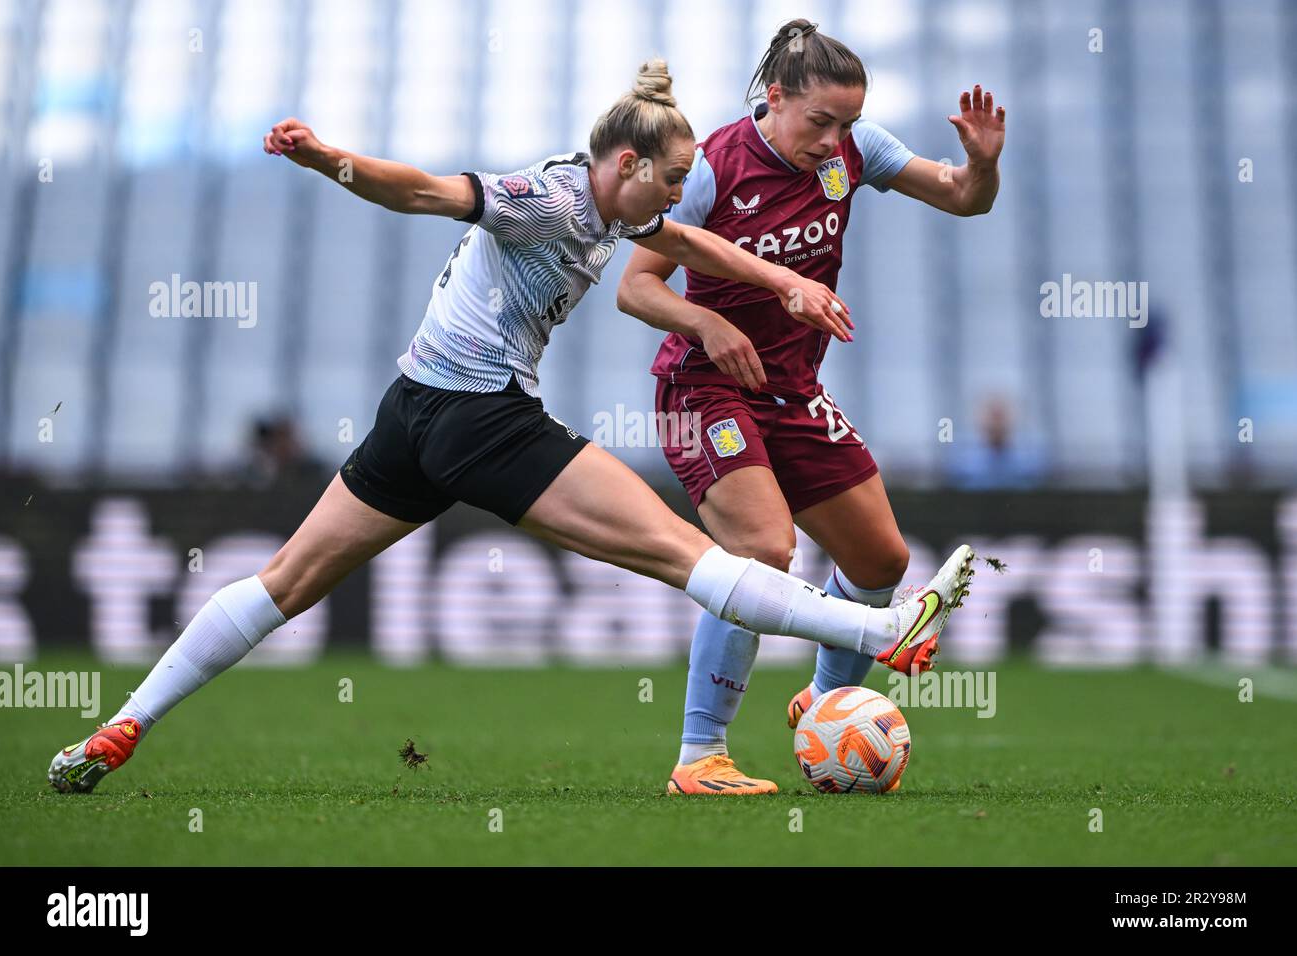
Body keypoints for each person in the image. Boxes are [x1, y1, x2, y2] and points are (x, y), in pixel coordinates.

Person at [48, 60, 973, 795]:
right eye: (677, 179)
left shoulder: (618, 207)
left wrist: (786, 284)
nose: (682, 195)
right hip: (484, 419)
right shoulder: (554, 200)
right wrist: (325, 155)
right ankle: (883, 631)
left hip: (409, 412)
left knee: (283, 581)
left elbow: (691, 245)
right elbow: (421, 192)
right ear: (627, 166)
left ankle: (124, 721)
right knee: (690, 557)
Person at [617, 21, 1003, 795]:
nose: (834, 142)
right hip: (704, 385)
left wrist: (982, 165)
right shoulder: (711, 168)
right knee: (762, 549)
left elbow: (965, 201)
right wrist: (710, 321)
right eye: (819, 122)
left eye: (847, 124)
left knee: (881, 561)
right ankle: (701, 757)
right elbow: (637, 287)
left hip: (792, 389)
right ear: (775, 98)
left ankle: (826, 704)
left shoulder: (855, 153)